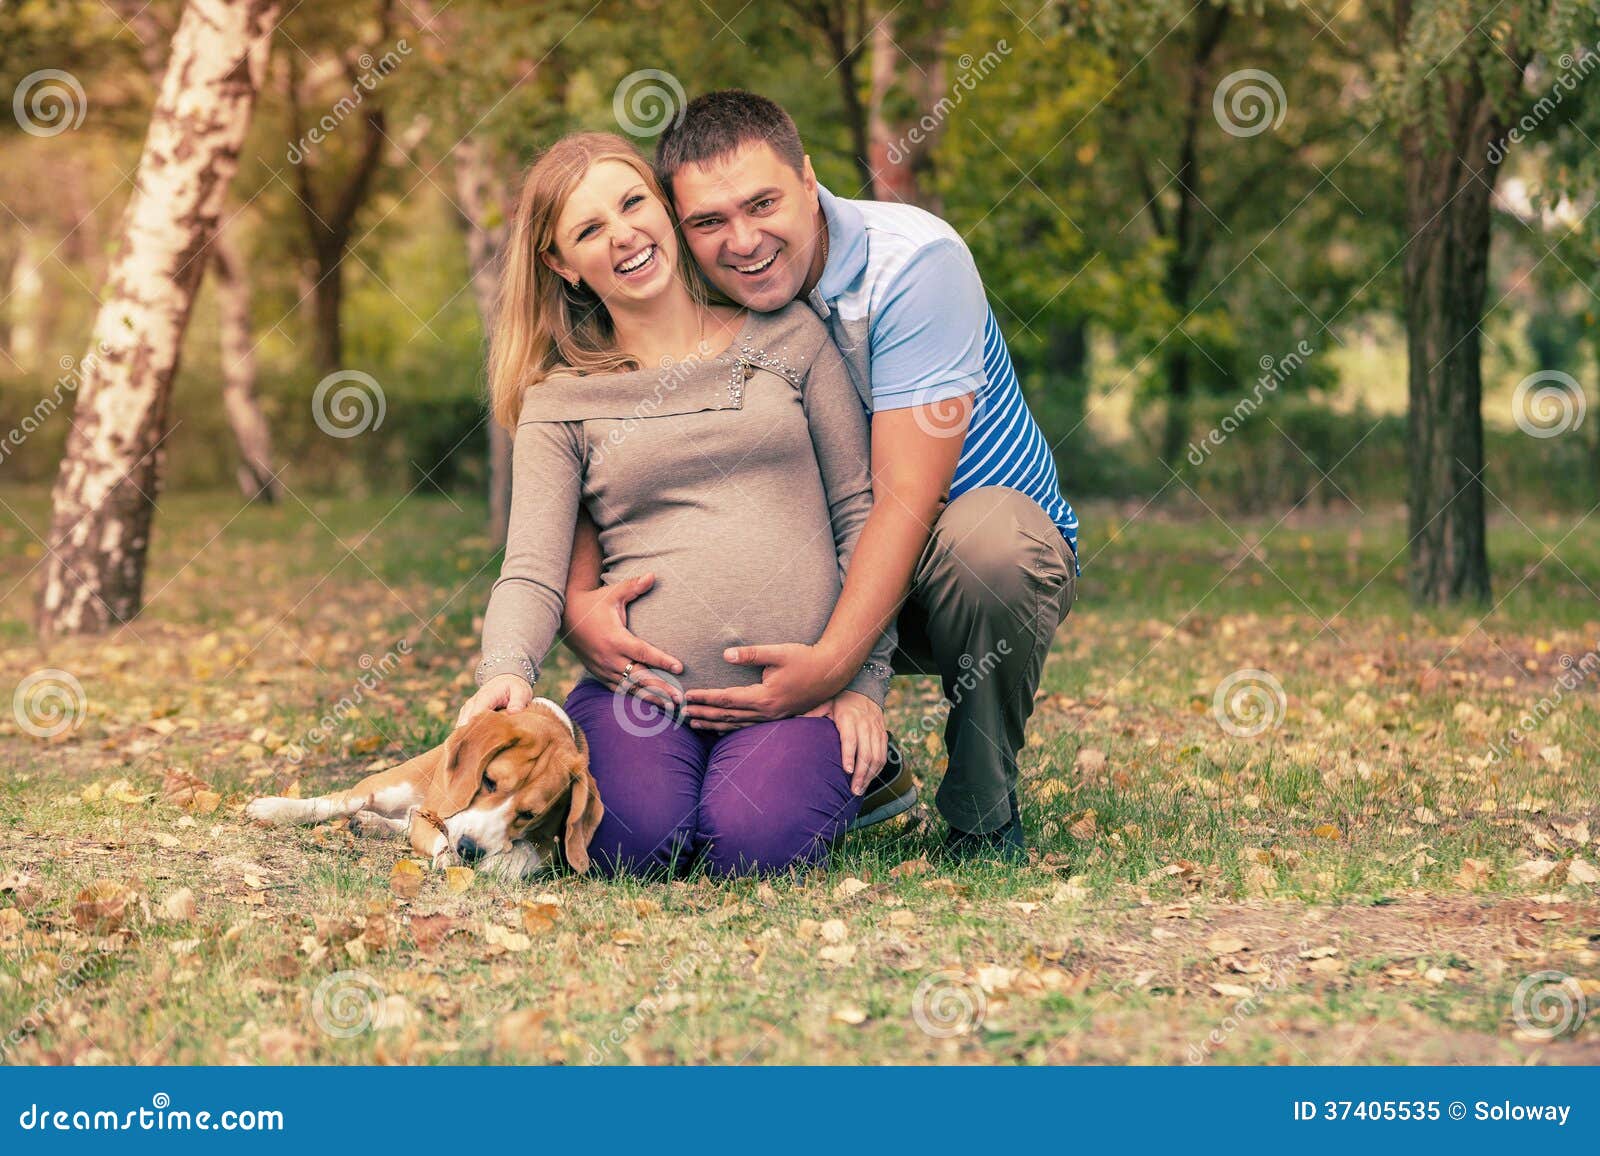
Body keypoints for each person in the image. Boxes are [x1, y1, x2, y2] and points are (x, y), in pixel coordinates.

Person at [562, 92, 1080, 863]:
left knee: (991, 545)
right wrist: (577, 600)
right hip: (806, 584)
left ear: (809, 181)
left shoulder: (915, 264)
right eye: (708, 221)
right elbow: (606, 439)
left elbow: (905, 501)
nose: (743, 242)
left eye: (763, 203)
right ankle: (845, 772)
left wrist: (841, 673)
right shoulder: (692, 282)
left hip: (954, 570)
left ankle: (982, 811)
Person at [455, 131, 894, 877]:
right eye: (589, 230)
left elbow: (861, 514)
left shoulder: (789, 337)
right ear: (561, 265)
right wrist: (506, 669)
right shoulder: (561, 401)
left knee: (754, 846)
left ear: (664, 208)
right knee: (629, 848)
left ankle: (857, 773)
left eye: (633, 204)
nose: (623, 234)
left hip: (799, 696)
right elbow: (531, 567)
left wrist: (861, 681)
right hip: (639, 701)